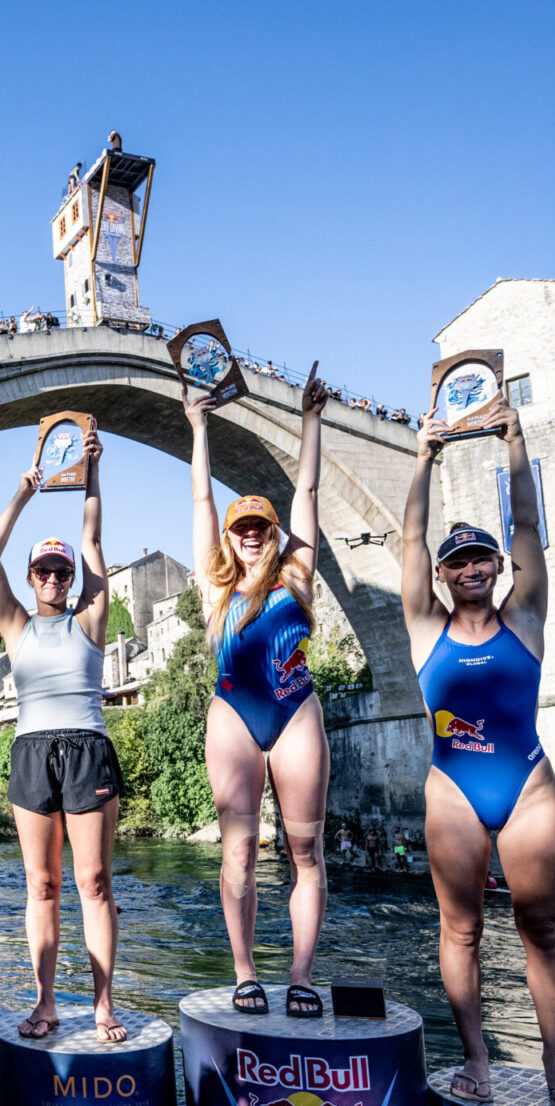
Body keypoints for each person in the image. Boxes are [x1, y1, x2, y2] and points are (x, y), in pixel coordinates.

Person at [403, 397, 555, 1106]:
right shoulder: (425, 629)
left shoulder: (526, 616)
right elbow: (411, 543)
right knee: (461, 929)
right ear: (446, 577)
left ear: (496, 566)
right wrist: (424, 458)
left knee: (541, 927)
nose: (472, 566)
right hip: (452, 790)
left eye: (482, 556)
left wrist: (517, 442)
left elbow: (529, 526)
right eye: (459, 562)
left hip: (528, 787)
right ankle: (477, 1057)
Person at [186, 364, 334, 1018]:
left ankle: (300, 977)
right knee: (240, 849)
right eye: (240, 527)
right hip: (233, 717)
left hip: (295, 709)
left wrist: (311, 421)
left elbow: (306, 488)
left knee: (305, 849)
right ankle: (245, 971)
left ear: (272, 535)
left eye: (259, 527)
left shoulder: (297, 576)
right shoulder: (216, 588)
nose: (248, 534)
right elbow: (200, 502)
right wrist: (198, 427)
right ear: (230, 537)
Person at [0, 419, 125, 1041]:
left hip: (88, 749)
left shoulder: (89, 619)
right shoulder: (15, 626)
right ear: (33, 576)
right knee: (42, 883)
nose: (55, 580)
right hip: (32, 753)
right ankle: (45, 1003)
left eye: (61, 573)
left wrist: (92, 470)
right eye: (45, 571)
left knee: (92, 881)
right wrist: (22, 493)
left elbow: (92, 538)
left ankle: (102, 1005)